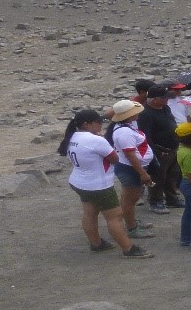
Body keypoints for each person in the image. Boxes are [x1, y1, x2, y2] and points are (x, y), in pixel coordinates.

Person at [58, 109, 153, 259]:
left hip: (80, 182)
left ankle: (96, 243)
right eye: (98, 122)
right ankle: (128, 248)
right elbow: (115, 159)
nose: (101, 125)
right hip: (99, 184)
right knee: (114, 217)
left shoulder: (72, 136)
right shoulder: (96, 140)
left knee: (90, 213)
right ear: (87, 124)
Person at [109, 99, 157, 240]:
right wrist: (143, 173)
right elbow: (130, 154)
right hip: (130, 169)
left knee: (128, 197)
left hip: (129, 167)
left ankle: (131, 223)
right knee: (131, 199)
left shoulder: (125, 127)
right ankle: (131, 228)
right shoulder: (125, 132)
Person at [138, 84, 184, 213]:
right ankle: (155, 201)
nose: (167, 99)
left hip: (173, 148)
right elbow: (145, 135)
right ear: (154, 99)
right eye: (163, 98)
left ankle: (171, 198)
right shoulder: (146, 114)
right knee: (158, 177)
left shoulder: (165, 108)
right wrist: (156, 151)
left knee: (172, 175)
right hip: (160, 150)